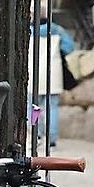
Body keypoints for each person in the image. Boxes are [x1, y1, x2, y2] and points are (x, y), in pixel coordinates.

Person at [29, 13, 76, 147]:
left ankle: (36, 131)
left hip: (34, 72)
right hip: (53, 73)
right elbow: (69, 48)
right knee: (52, 107)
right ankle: (52, 136)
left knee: (33, 107)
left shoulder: (29, 31)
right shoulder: (57, 30)